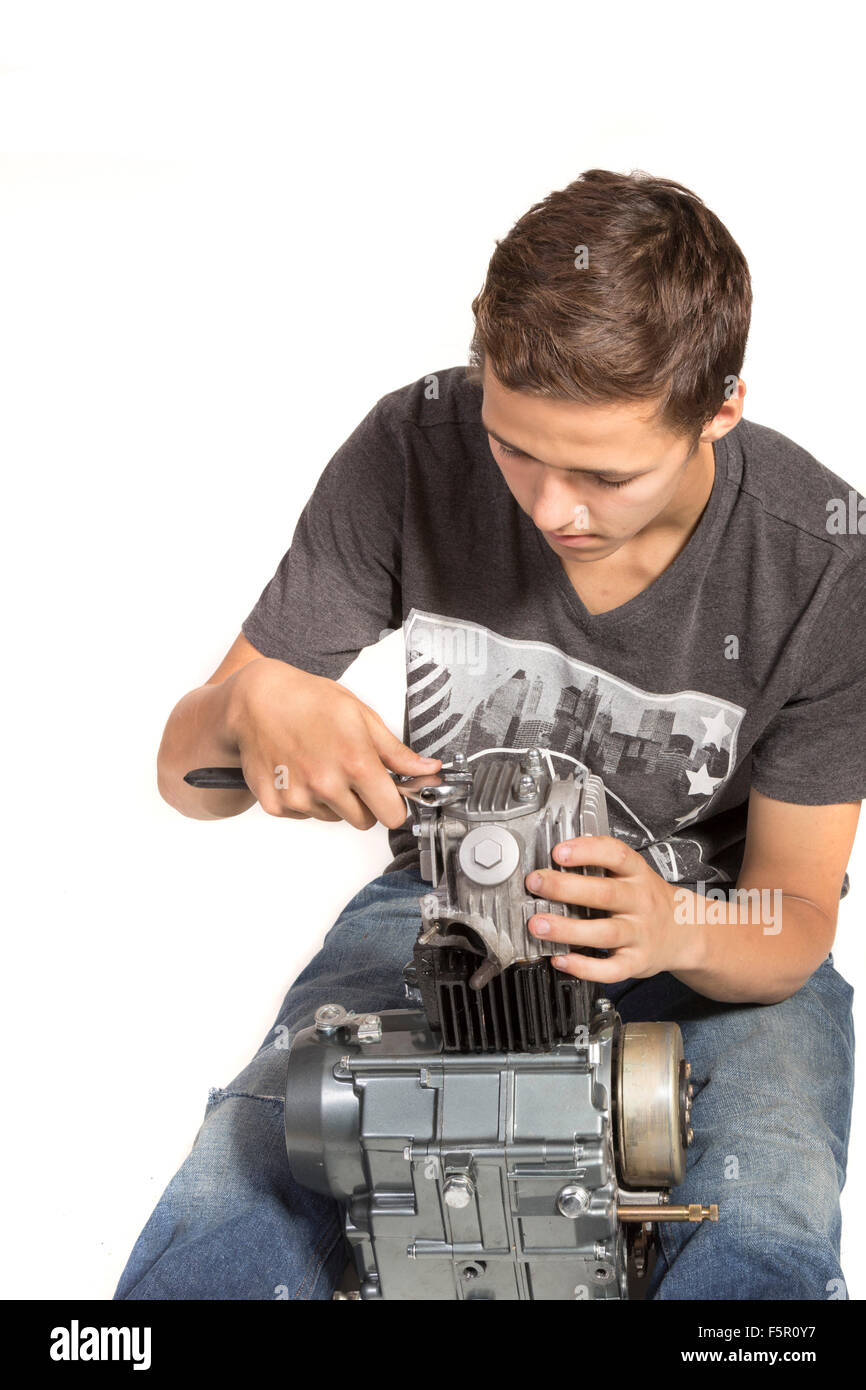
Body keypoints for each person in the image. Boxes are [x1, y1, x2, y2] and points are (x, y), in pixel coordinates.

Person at [114, 168, 863, 1301]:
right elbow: (188, 780)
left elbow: (794, 913)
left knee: (763, 1221)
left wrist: (674, 925)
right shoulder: (412, 447)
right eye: (515, 448)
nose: (550, 506)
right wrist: (243, 710)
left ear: (719, 410)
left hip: (712, 939)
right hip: (444, 915)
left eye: (604, 472)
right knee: (237, 1187)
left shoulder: (822, 561)